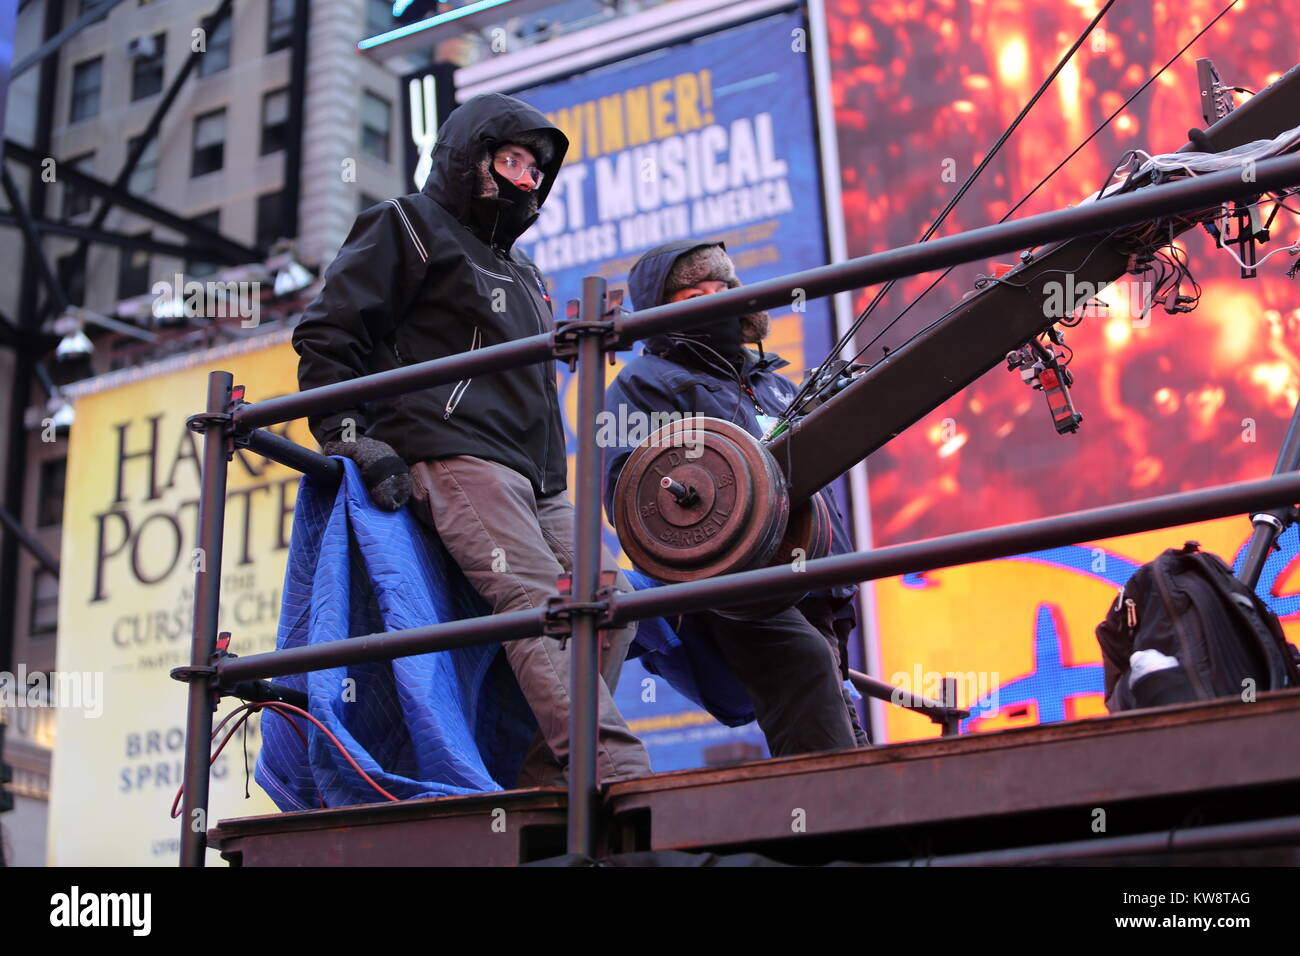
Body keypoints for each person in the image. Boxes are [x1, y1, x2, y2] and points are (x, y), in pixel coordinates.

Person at [292, 92, 651, 787]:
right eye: (509, 158)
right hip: (453, 451)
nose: (524, 177)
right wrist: (350, 437)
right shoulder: (409, 222)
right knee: (545, 607)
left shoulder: (525, 273)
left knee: (611, 604)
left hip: (539, 479)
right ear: (468, 158)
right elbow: (327, 331)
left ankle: (553, 781)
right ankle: (616, 777)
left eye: (534, 168)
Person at [604, 239, 871, 756]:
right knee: (808, 671)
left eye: (722, 288)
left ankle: (857, 816)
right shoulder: (642, 384)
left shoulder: (770, 380)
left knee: (832, 705)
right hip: (737, 586)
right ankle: (834, 820)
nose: (715, 300)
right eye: (694, 295)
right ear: (662, 311)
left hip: (818, 578)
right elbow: (629, 493)